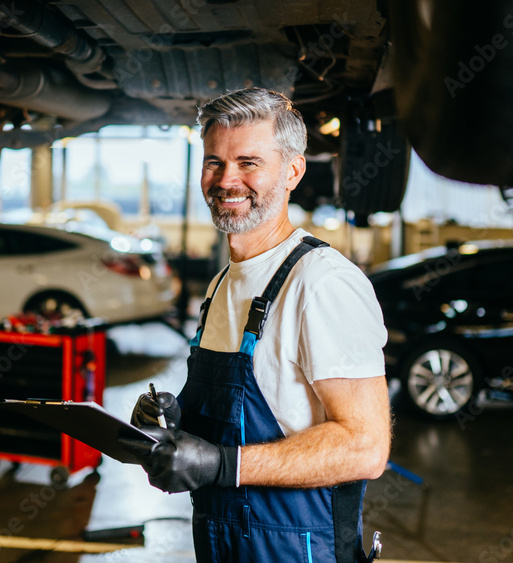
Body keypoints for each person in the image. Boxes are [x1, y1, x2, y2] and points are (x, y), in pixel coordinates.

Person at [121, 88, 391, 562]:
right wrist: (172, 419)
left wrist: (221, 465)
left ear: (293, 171)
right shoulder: (222, 284)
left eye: (249, 163)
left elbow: (365, 446)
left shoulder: (322, 282)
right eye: (213, 163)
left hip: (298, 549)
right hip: (221, 544)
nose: (227, 181)